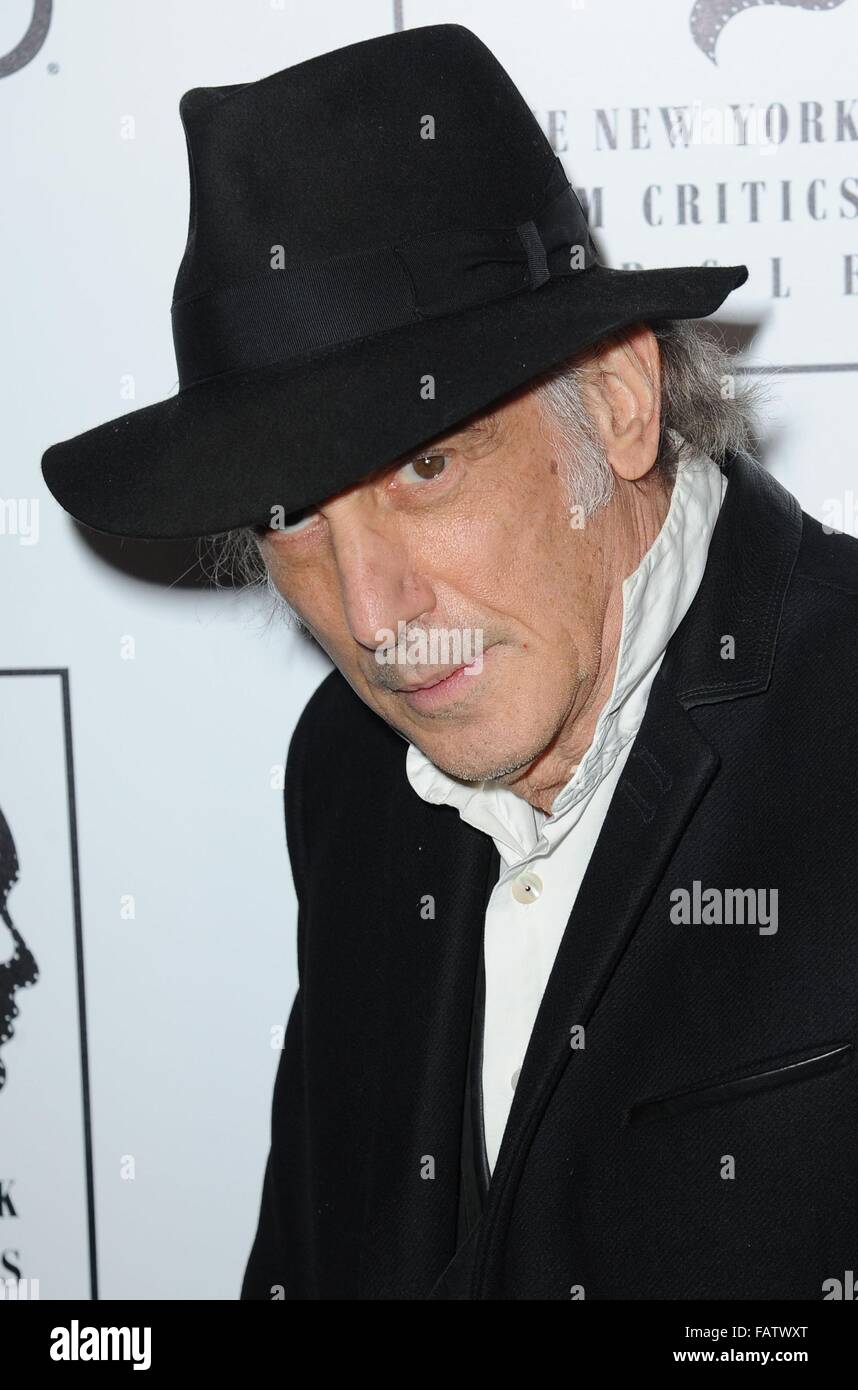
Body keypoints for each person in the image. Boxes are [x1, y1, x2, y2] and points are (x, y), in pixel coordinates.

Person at [41, 25, 858, 1300]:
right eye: (291, 513)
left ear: (619, 400)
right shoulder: (349, 770)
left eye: (426, 466)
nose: (371, 613)